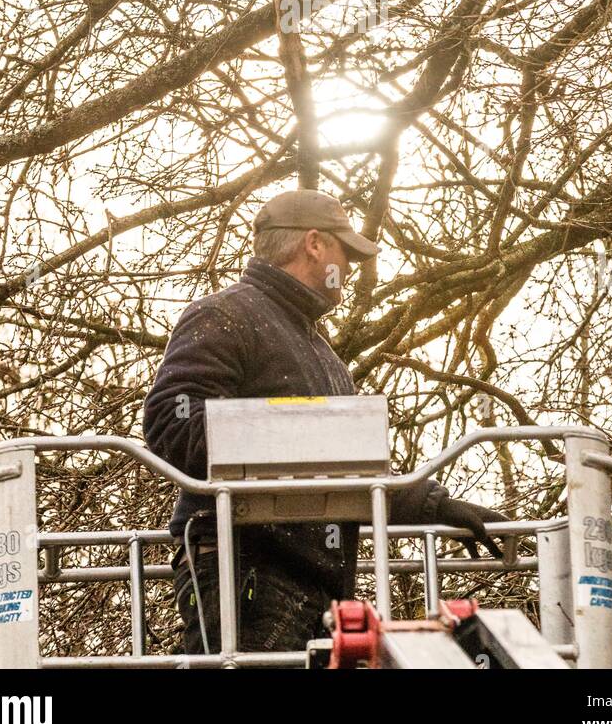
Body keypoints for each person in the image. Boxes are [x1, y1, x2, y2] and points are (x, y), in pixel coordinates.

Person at [143, 188, 507, 659]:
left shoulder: (323, 354)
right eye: (346, 252)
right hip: (244, 567)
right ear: (314, 243)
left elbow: (349, 470)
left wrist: (436, 506)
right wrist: (286, 442)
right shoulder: (227, 313)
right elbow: (171, 421)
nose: (352, 268)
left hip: (318, 587)